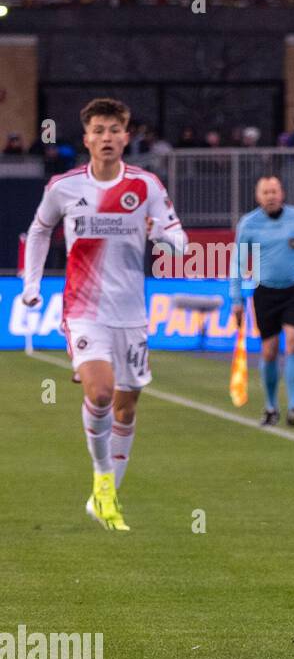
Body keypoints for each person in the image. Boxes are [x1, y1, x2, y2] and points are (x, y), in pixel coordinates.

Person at [21, 97, 187, 532]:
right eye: (98, 130)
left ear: (126, 137)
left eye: (114, 130)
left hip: (131, 314)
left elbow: (180, 242)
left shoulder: (147, 186)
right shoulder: (64, 186)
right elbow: (40, 229)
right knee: (100, 394)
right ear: (87, 138)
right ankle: (103, 480)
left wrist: (163, 237)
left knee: (126, 408)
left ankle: (104, 497)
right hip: (84, 310)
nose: (107, 138)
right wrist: (32, 284)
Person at [229, 176, 294, 427]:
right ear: (257, 196)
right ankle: (271, 406)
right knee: (269, 350)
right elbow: (238, 262)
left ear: (282, 193)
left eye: (274, 191)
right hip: (265, 291)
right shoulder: (249, 224)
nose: (270, 196)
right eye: (265, 192)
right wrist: (236, 298)